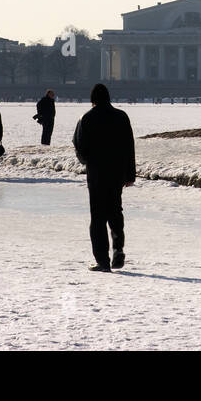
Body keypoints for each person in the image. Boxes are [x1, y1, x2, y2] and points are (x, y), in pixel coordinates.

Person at [72, 84, 136, 272]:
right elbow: (129, 147)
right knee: (115, 211)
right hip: (117, 173)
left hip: (97, 173)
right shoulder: (121, 116)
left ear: (92, 99)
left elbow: (79, 145)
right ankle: (118, 249)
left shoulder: (86, 118)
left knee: (98, 217)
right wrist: (130, 174)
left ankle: (103, 260)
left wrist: (86, 160)